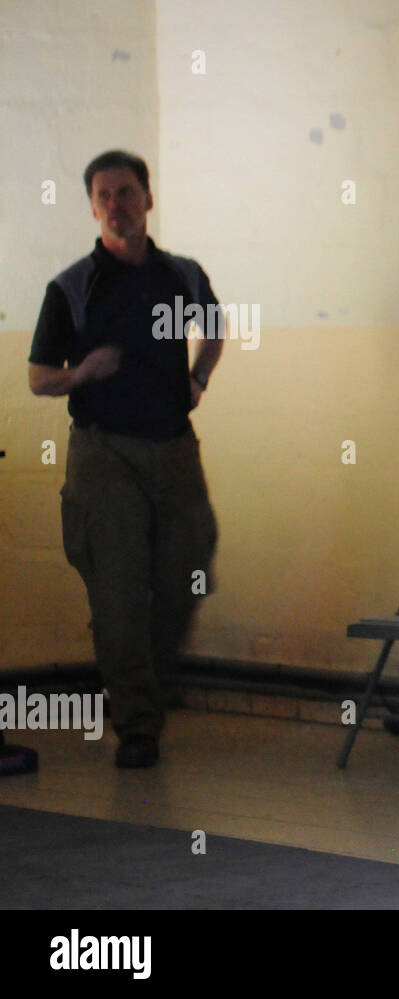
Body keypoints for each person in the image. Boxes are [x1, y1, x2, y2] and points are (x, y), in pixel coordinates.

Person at [28, 150, 222, 769]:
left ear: (147, 199)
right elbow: (38, 377)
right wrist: (82, 373)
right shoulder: (72, 287)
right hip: (103, 452)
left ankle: (150, 683)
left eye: (126, 192)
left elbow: (213, 330)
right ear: (92, 207)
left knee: (188, 571)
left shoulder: (181, 275)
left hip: (173, 447)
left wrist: (198, 378)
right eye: (104, 195)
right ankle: (137, 725)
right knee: (116, 593)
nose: (117, 203)